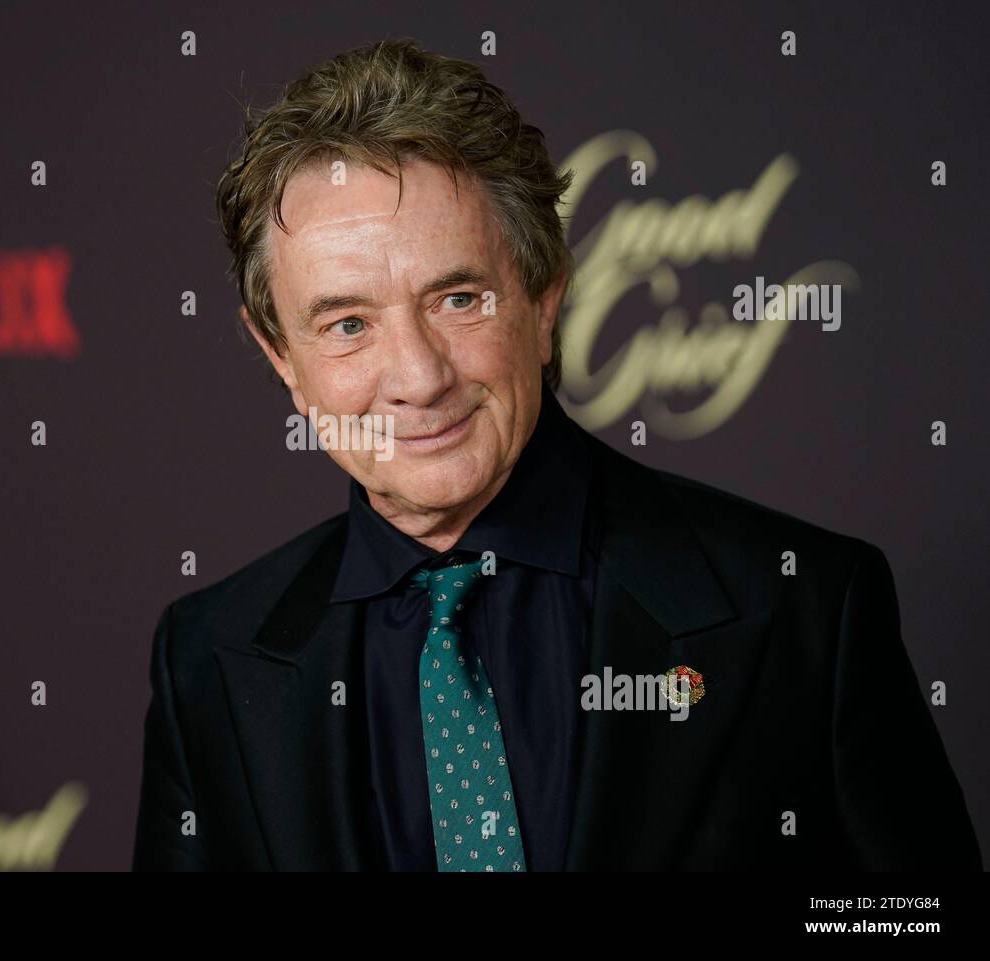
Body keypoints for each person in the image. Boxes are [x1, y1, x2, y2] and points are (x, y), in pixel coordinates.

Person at [131, 38, 980, 871]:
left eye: (458, 298)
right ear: (280, 353)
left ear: (544, 298)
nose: (419, 379)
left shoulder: (805, 608)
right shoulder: (207, 659)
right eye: (347, 324)